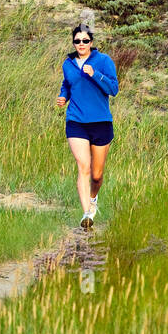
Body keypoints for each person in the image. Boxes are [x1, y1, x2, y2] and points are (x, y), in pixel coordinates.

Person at [55, 24, 118, 229]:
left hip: (101, 122)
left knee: (97, 175)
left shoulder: (103, 61)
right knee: (83, 167)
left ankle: (93, 198)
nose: (81, 44)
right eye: (77, 41)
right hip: (76, 121)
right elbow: (67, 83)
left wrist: (95, 75)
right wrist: (64, 96)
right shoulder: (68, 63)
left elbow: (114, 89)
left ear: (91, 42)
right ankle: (86, 214)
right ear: (73, 42)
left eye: (85, 41)